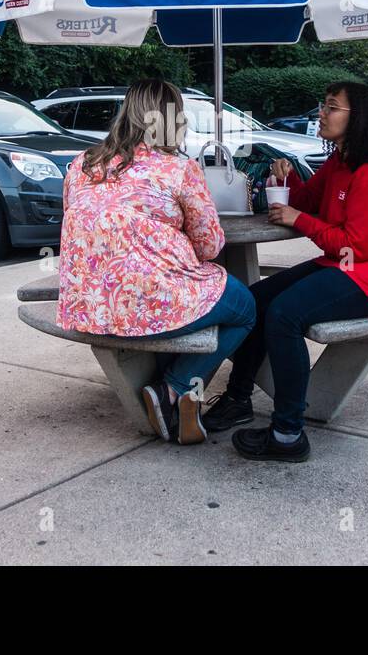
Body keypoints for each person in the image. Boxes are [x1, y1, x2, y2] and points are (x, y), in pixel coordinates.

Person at [201, 81, 368, 463]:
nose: (321, 113)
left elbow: (354, 246)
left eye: (332, 107)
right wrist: (285, 178)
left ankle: (287, 434)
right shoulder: (342, 162)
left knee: (285, 314)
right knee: (254, 301)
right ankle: (239, 398)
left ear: (359, 119)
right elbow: (309, 200)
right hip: (351, 266)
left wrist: (299, 220)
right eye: (323, 105)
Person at [57, 79, 255, 446]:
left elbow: (85, 224)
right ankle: (174, 388)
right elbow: (210, 246)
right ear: (173, 117)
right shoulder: (179, 169)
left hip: (88, 307)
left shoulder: (81, 164)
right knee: (244, 306)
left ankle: (172, 390)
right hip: (146, 309)